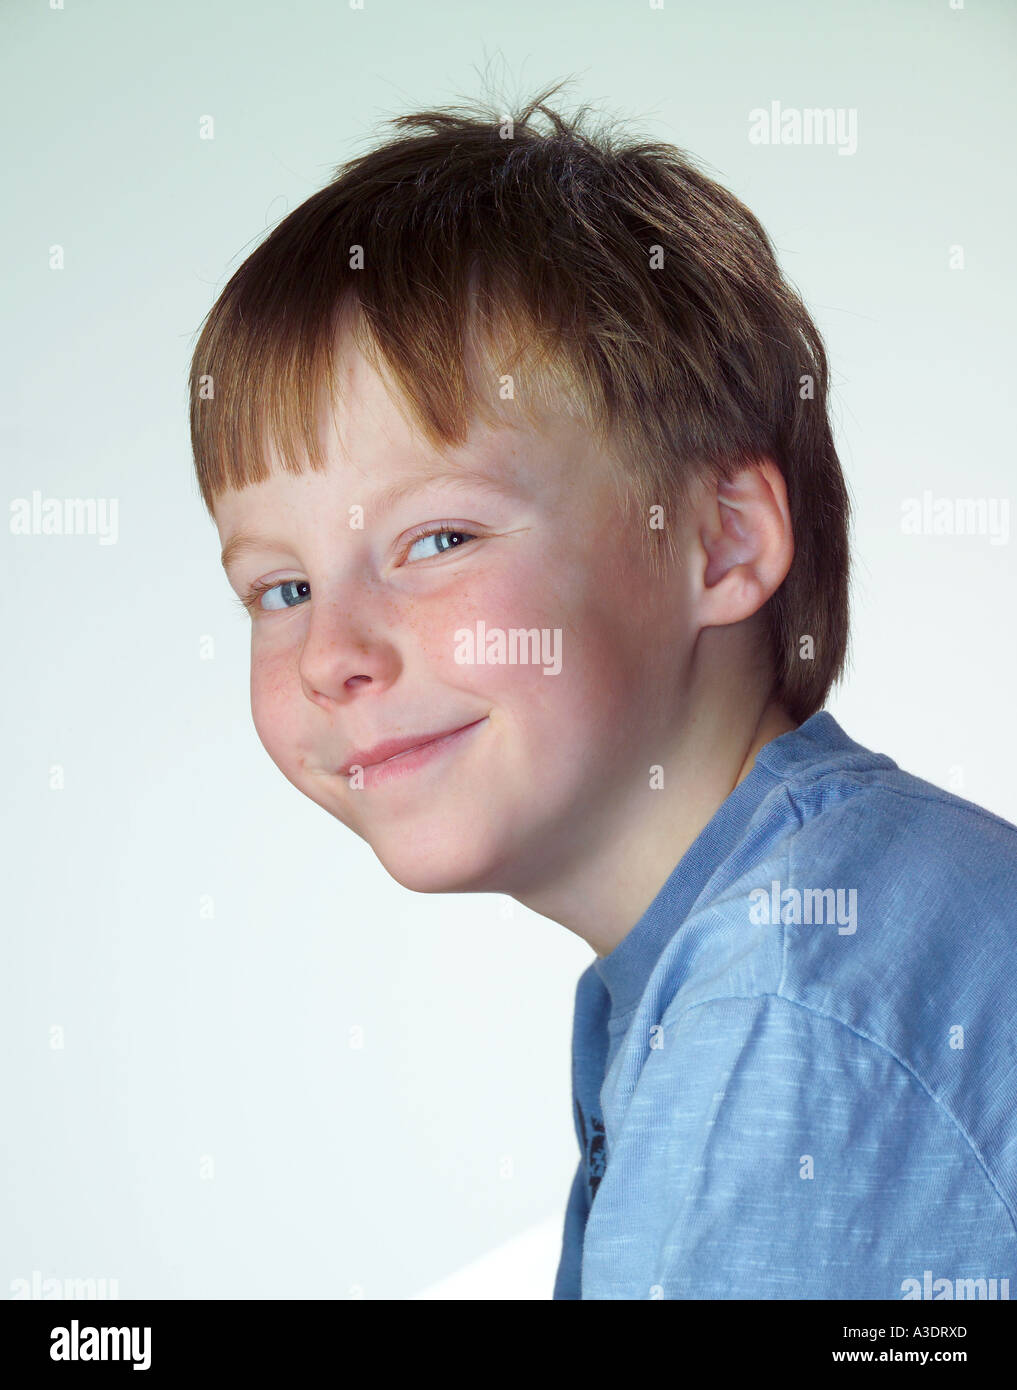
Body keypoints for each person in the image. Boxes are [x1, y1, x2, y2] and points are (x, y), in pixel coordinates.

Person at [188, 80, 1017, 1299]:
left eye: (438, 540)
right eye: (282, 589)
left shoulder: (781, 1011)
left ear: (719, 545)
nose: (331, 655)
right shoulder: (765, 938)